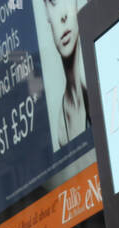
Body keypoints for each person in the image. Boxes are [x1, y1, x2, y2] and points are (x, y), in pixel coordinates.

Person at [43, 0, 90, 148]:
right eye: (54, 2)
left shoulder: (94, 87)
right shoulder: (62, 128)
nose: (63, 15)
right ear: (46, 11)